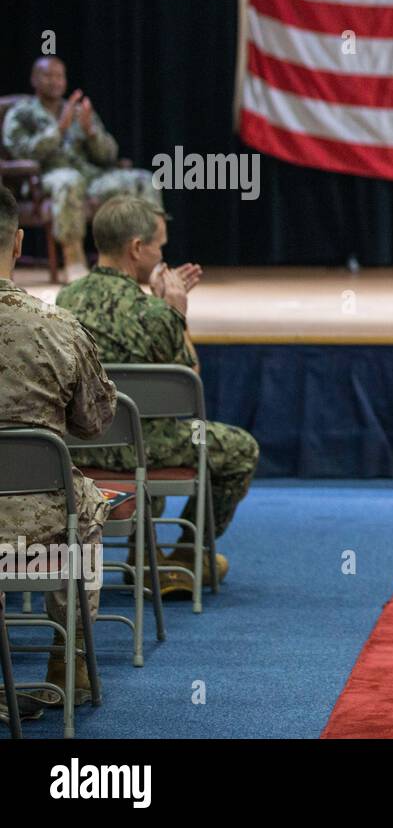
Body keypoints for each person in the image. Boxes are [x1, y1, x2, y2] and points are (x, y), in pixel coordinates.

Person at [55, 196, 258, 595]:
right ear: (136, 248)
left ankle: (149, 558)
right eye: (159, 246)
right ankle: (188, 555)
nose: (163, 254)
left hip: (78, 443)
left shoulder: (66, 299)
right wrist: (177, 311)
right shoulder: (155, 314)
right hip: (143, 445)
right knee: (241, 450)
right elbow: (190, 381)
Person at [0, 186, 116, 710]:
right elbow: (94, 422)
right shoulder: (58, 327)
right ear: (20, 241)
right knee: (87, 505)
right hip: (37, 519)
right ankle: (68, 663)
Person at [2, 57, 162, 280]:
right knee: (69, 181)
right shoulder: (21, 113)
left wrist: (91, 132)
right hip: (46, 178)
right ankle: (73, 260)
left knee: (143, 179)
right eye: (48, 76)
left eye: (59, 76)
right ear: (34, 79)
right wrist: (58, 129)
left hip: (90, 177)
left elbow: (109, 155)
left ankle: (147, 257)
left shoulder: (77, 111)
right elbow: (22, 153)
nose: (54, 82)